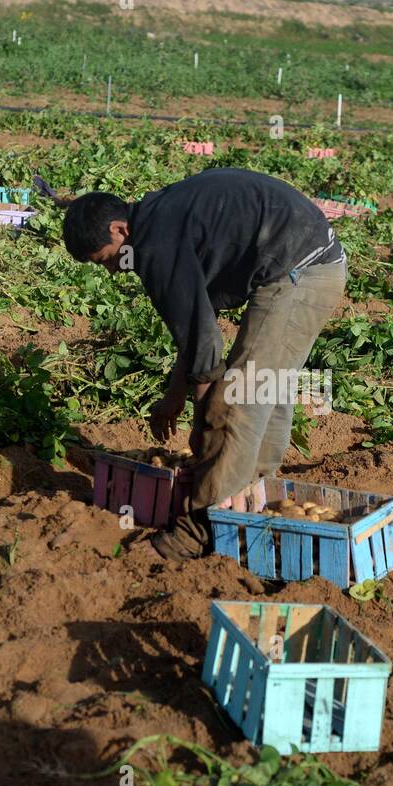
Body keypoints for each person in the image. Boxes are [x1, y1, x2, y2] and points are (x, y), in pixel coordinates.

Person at [62, 168, 347, 560]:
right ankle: (247, 502)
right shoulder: (161, 218)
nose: (112, 271)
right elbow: (196, 326)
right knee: (265, 390)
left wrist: (204, 418)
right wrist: (175, 396)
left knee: (235, 401)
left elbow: (203, 341)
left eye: (106, 260)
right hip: (308, 263)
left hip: (299, 270)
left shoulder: (155, 245)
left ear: (119, 231)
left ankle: (198, 530)